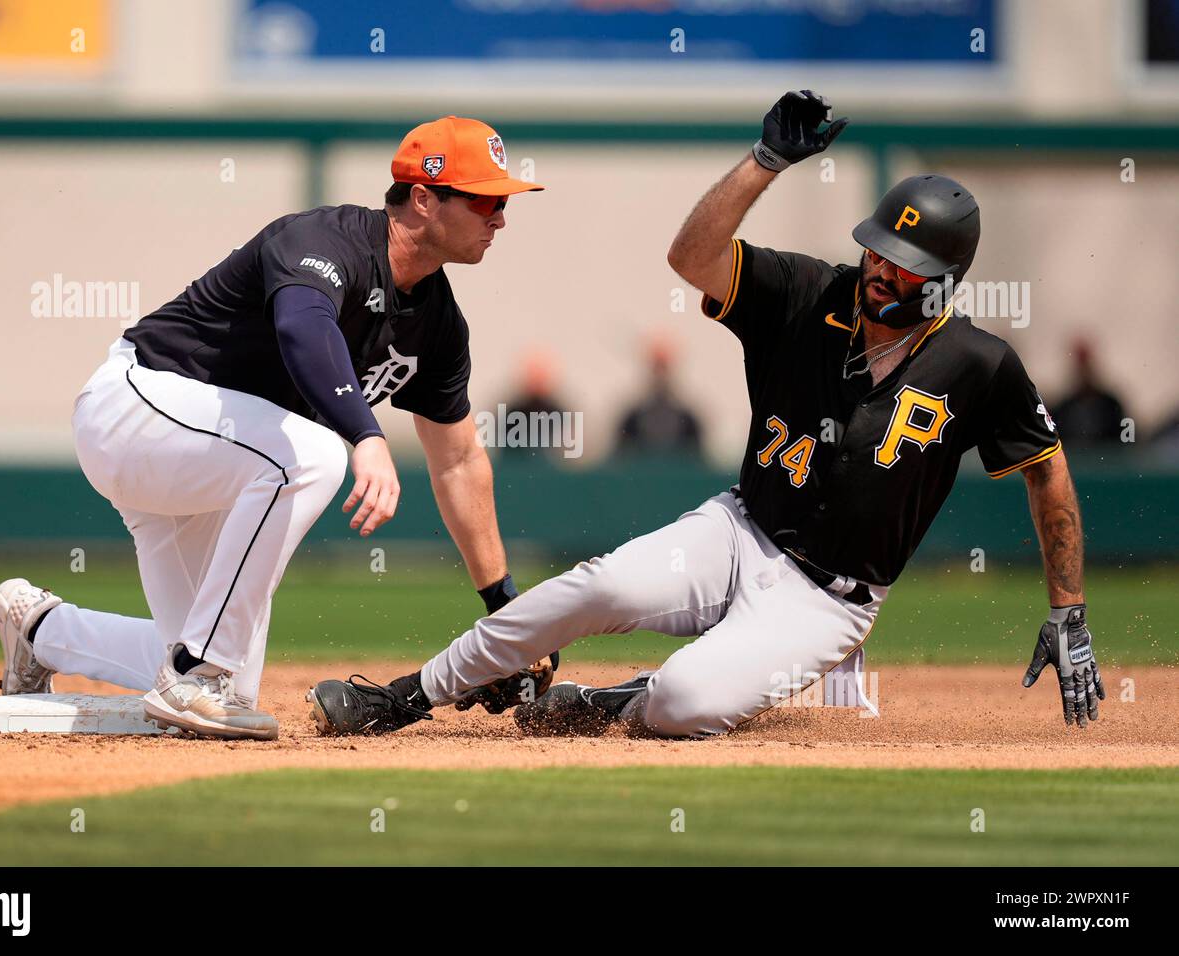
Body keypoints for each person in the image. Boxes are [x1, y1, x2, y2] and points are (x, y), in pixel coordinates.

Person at [307, 90, 1104, 740]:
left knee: (686, 704)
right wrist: (765, 164)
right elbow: (691, 258)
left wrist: (1067, 607)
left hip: (831, 600)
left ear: (945, 281)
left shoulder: (979, 363)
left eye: (905, 269)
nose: (880, 273)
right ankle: (407, 697)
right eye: (876, 254)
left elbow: (1047, 470)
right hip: (738, 529)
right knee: (597, 588)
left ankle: (619, 701)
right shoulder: (807, 295)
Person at [0, 116, 543, 740]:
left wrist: (507, 611)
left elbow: (460, 462)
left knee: (228, 676)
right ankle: (195, 674)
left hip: (216, 464)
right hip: (137, 410)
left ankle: (39, 629)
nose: (500, 218)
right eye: (486, 199)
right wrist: (366, 435)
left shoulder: (438, 325)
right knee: (313, 457)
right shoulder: (324, 240)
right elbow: (304, 330)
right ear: (423, 198)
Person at [613, 335, 705, 460]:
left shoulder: (689, 421)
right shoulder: (631, 419)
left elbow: (696, 460)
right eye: (656, 368)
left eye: (663, 368)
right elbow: (621, 458)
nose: (660, 376)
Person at [1048, 338, 1127, 445]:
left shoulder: (1111, 406)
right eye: (1080, 366)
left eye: (1086, 365)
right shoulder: (1063, 410)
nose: (1083, 372)